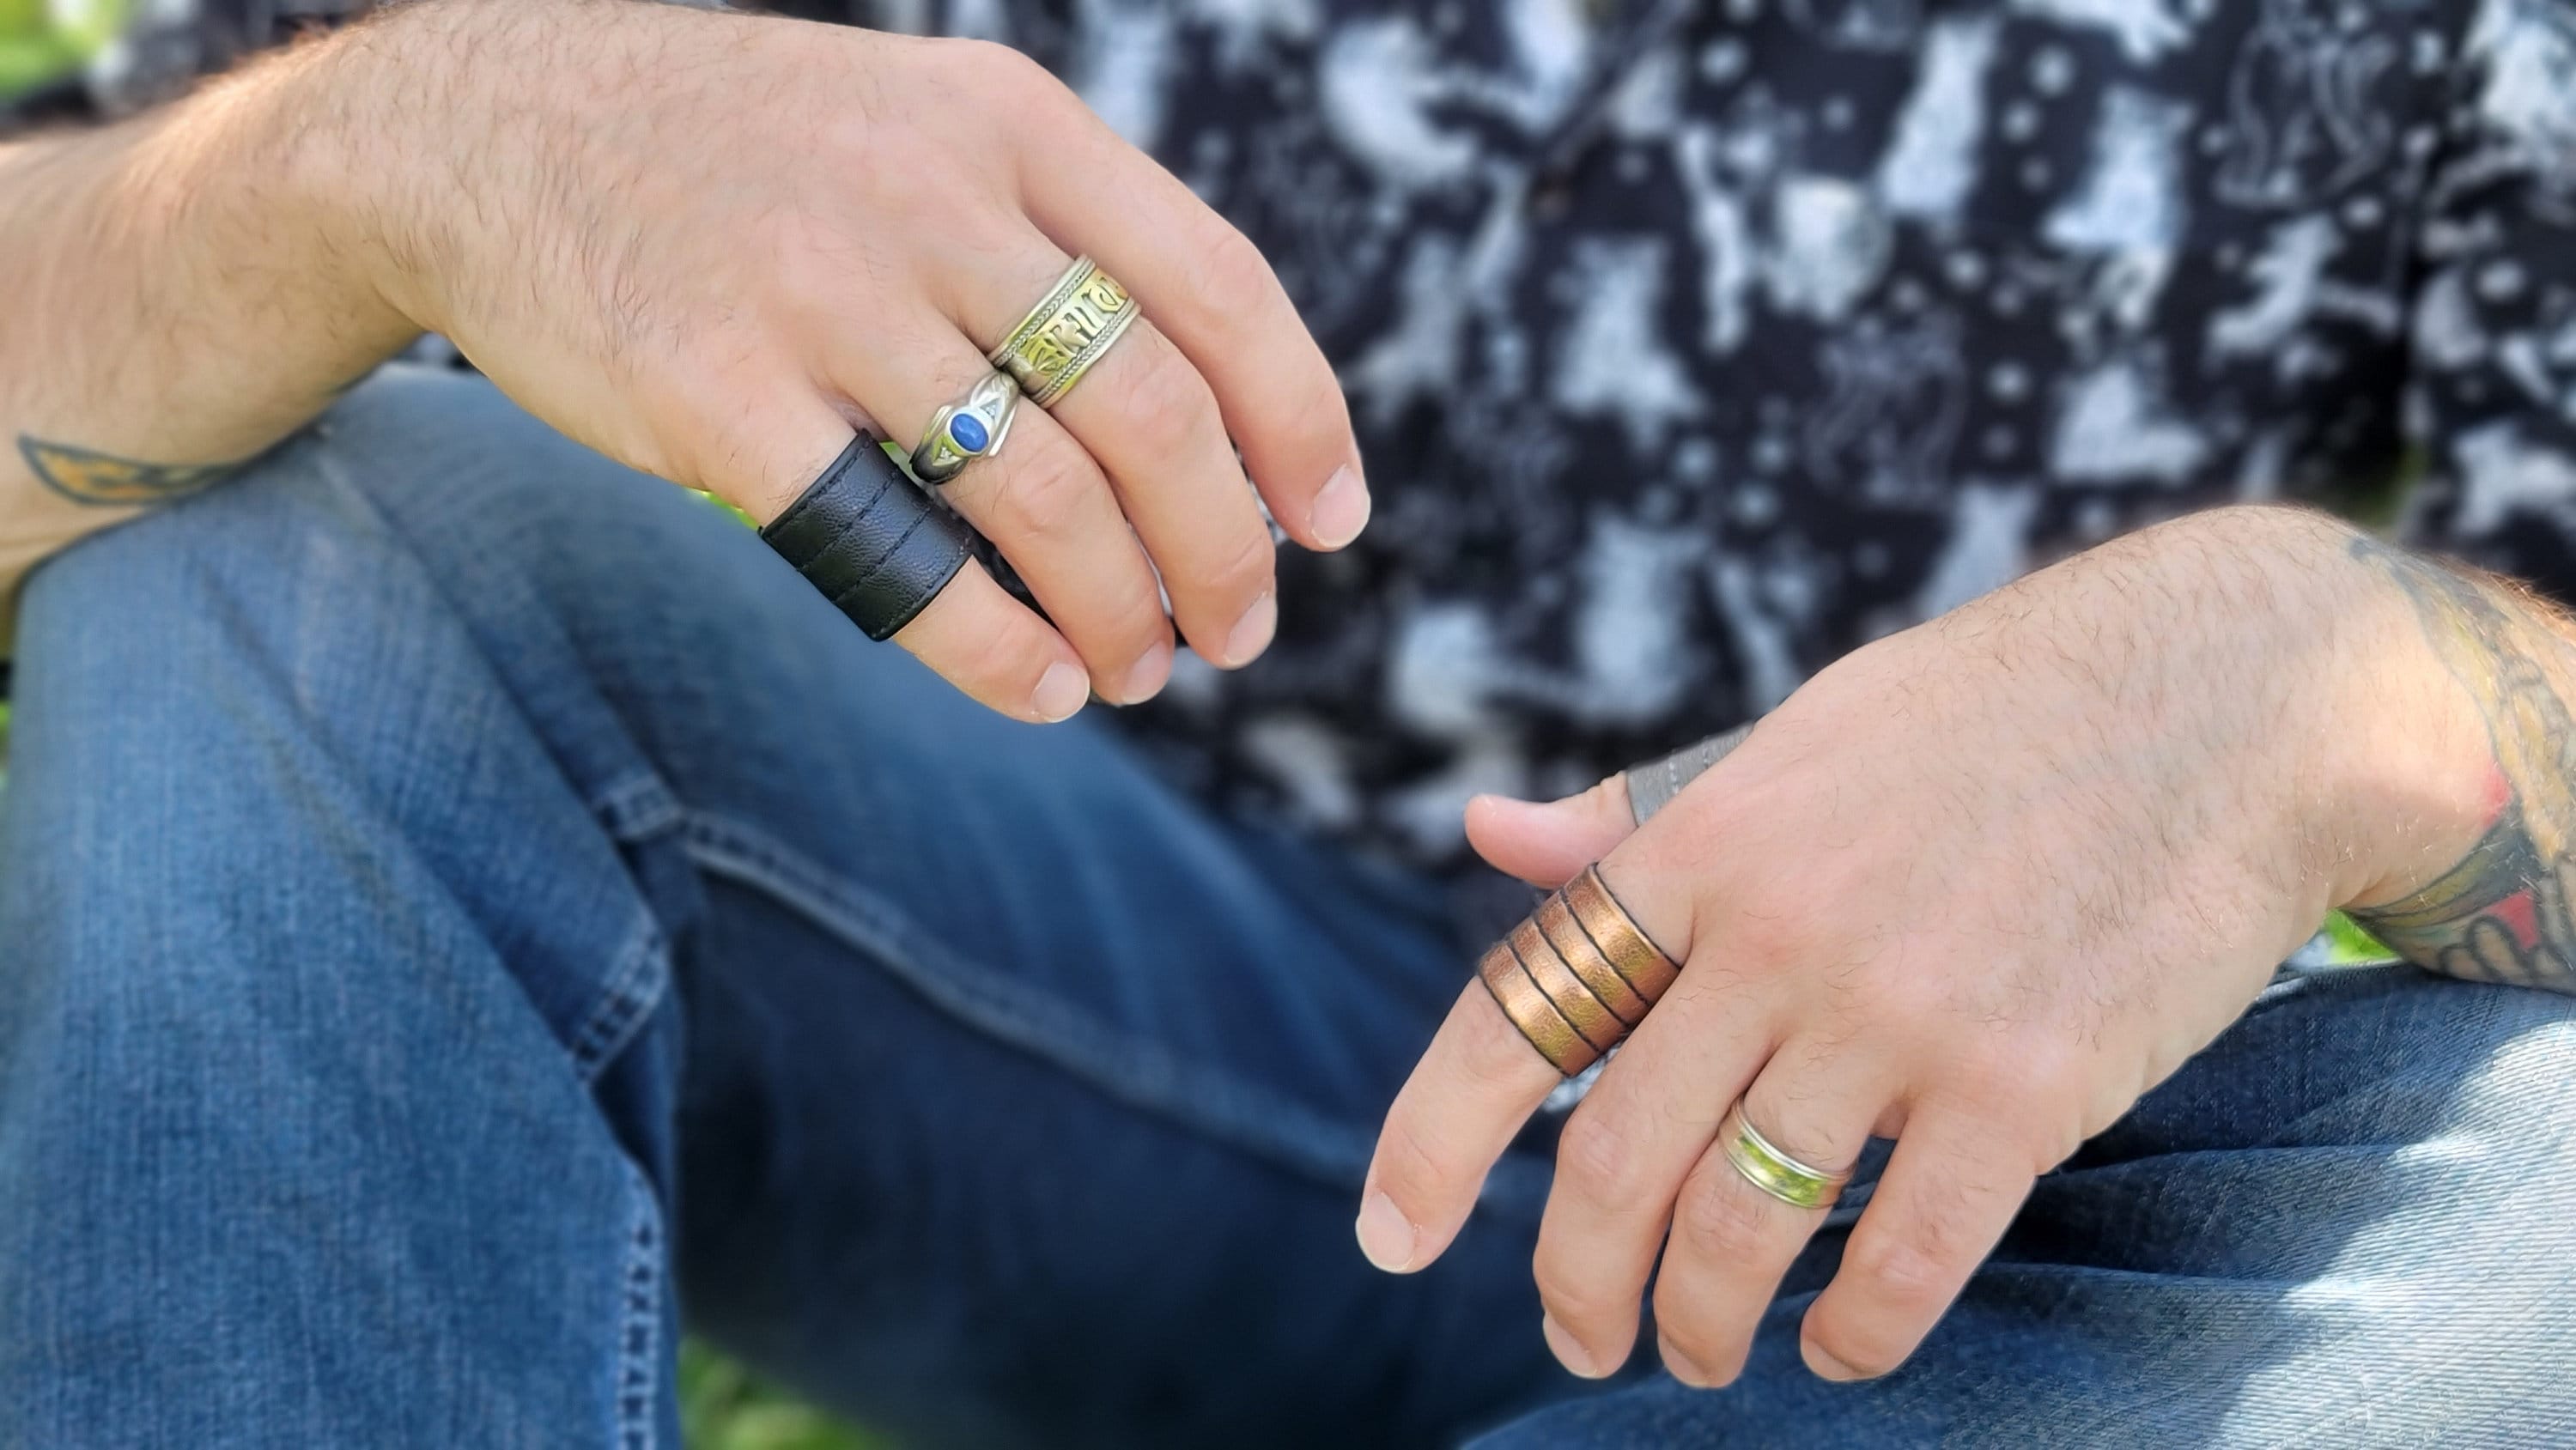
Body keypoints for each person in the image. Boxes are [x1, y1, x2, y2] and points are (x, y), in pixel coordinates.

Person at [7, 0, 2576, 1445]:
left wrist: (2317, 670)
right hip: (1035, 986)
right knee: (302, 561)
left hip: (1965, 1252)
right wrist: (383, 148)